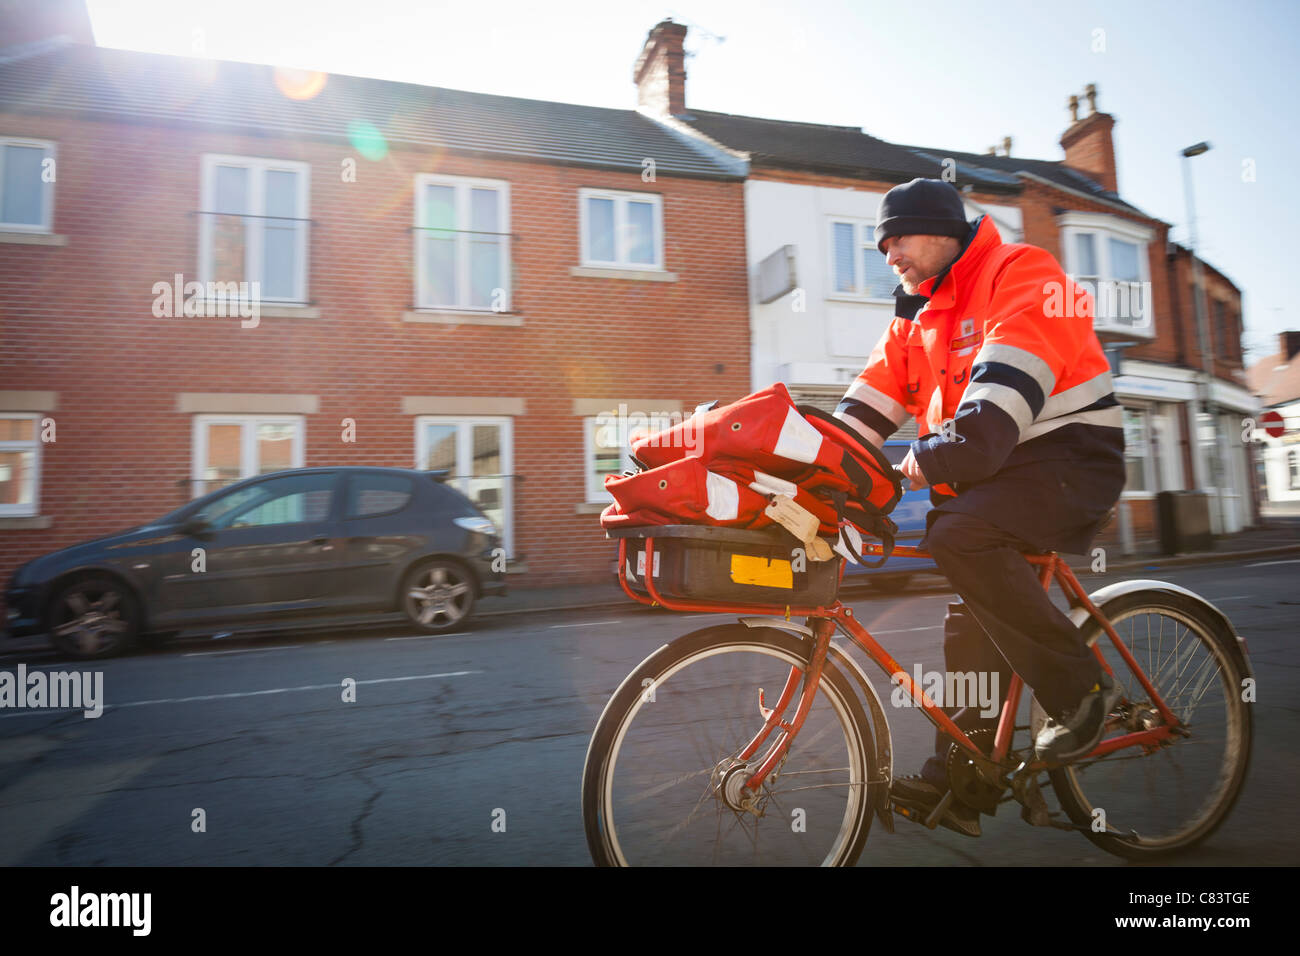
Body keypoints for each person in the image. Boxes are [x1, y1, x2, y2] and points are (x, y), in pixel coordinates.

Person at [833, 178, 1126, 836]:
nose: (889, 254)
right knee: (973, 617)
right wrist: (816, 469)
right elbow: (862, 410)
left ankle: (1082, 690)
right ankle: (966, 782)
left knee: (958, 535)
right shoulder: (915, 318)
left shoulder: (1020, 272)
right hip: (993, 475)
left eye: (898, 237)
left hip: (1068, 461)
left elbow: (997, 404)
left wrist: (928, 458)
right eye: (881, 245)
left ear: (942, 230)